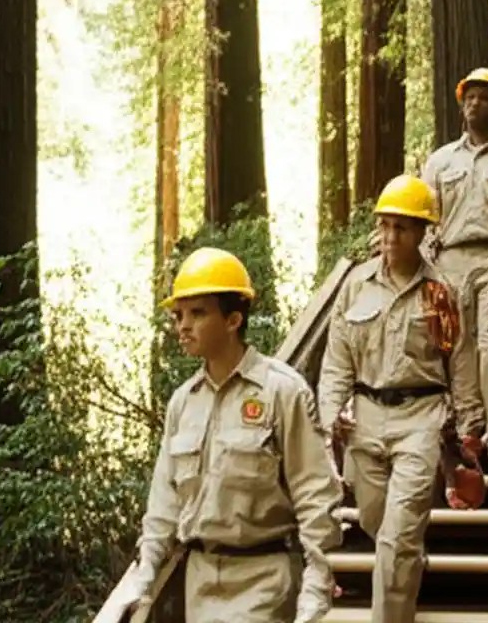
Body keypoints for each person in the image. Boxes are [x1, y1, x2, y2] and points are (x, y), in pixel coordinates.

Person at [117, 248, 342, 623]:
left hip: (264, 580)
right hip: (200, 582)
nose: (183, 325)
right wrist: (143, 578)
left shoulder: (281, 392)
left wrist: (315, 590)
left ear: (233, 319)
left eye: (198, 313)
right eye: (179, 315)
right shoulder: (183, 403)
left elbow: (316, 497)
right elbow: (163, 505)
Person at [319, 174, 486, 623]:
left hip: (421, 417)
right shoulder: (355, 285)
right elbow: (337, 359)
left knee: (395, 537)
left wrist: (470, 428)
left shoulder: (440, 292)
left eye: (403, 228)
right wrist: (329, 414)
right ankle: (409, 552)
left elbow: (461, 359)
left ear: (423, 232)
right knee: (377, 521)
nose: (391, 237)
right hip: (366, 419)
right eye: (386, 226)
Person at [421, 68, 488, 464]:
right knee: (458, 345)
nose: (474, 104)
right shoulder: (440, 161)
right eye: (469, 97)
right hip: (451, 260)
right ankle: (470, 426)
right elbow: (427, 215)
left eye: (483, 97)